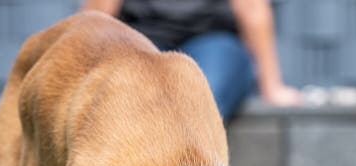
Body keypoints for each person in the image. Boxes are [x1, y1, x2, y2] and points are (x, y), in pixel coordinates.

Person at [80, 0, 300, 120]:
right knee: (130, 93)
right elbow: (100, 9)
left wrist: (272, 86)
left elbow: (251, 8)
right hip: (144, 33)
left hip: (214, 37)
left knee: (203, 95)